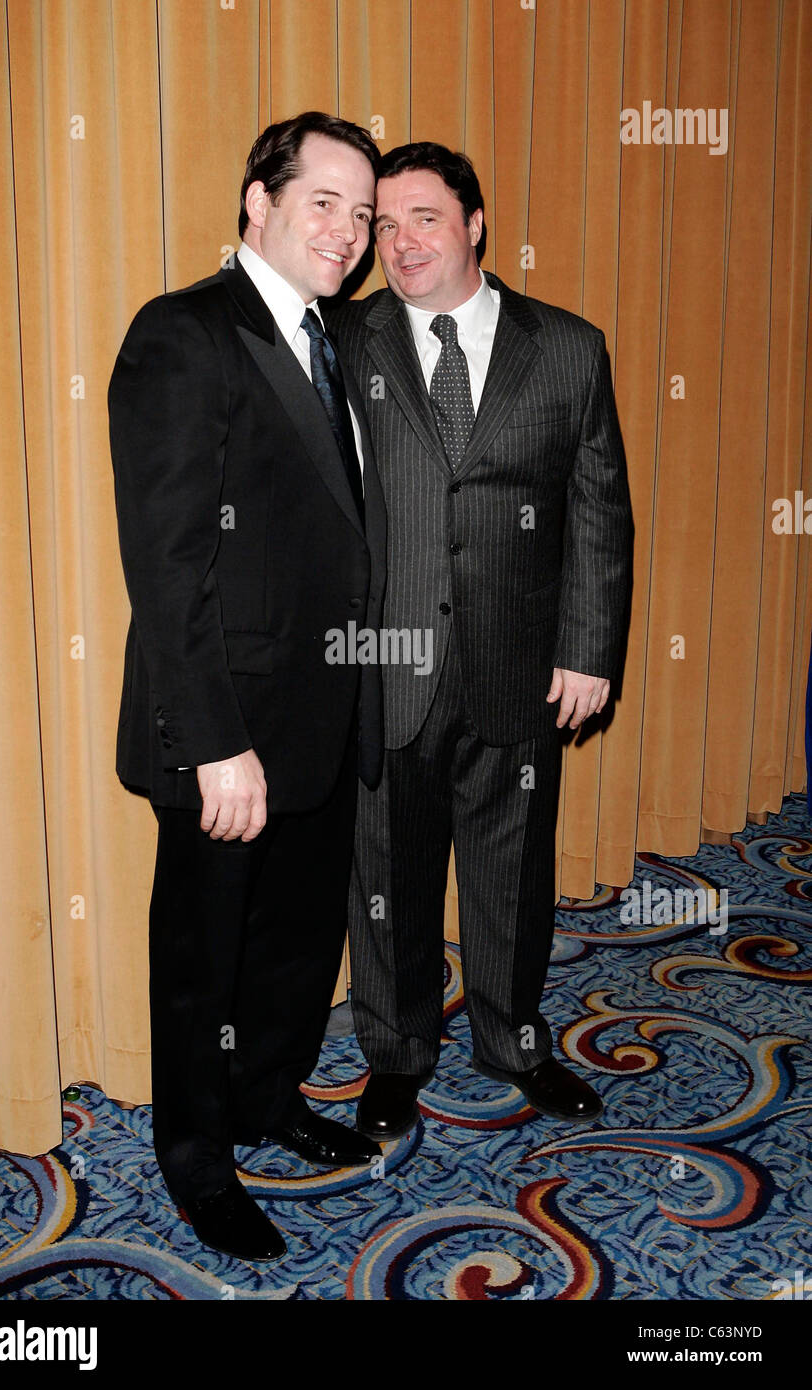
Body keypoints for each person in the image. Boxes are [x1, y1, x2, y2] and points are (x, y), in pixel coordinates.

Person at [108, 111, 386, 1261]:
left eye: (361, 212)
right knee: (203, 954)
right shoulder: (185, 334)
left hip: (326, 710)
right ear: (255, 202)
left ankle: (270, 1096)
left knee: (294, 937)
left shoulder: (341, 343)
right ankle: (196, 1157)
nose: (348, 230)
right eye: (323, 201)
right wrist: (214, 740)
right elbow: (166, 564)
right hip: (227, 726)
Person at [327, 142, 633, 1142]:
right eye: (381, 224)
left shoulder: (567, 349)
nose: (398, 241)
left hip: (518, 665)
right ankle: (395, 1054)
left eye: (420, 216)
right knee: (386, 878)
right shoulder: (342, 342)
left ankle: (513, 1040)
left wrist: (588, 650)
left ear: (473, 223)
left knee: (510, 870)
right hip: (384, 668)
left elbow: (597, 511)